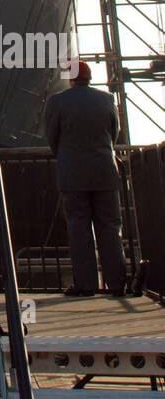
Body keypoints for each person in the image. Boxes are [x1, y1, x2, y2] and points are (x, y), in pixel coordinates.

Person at [44, 60, 126, 297]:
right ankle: (117, 283)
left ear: (70, 78)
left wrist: (67, 154)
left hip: (73, 172)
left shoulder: (57, 101)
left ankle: (86, 284)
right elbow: (114, 132)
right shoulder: (106, 99)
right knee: (111, 228)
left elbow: (52, 137)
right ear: (89, 78)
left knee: (79, 228)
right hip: (104, 171)